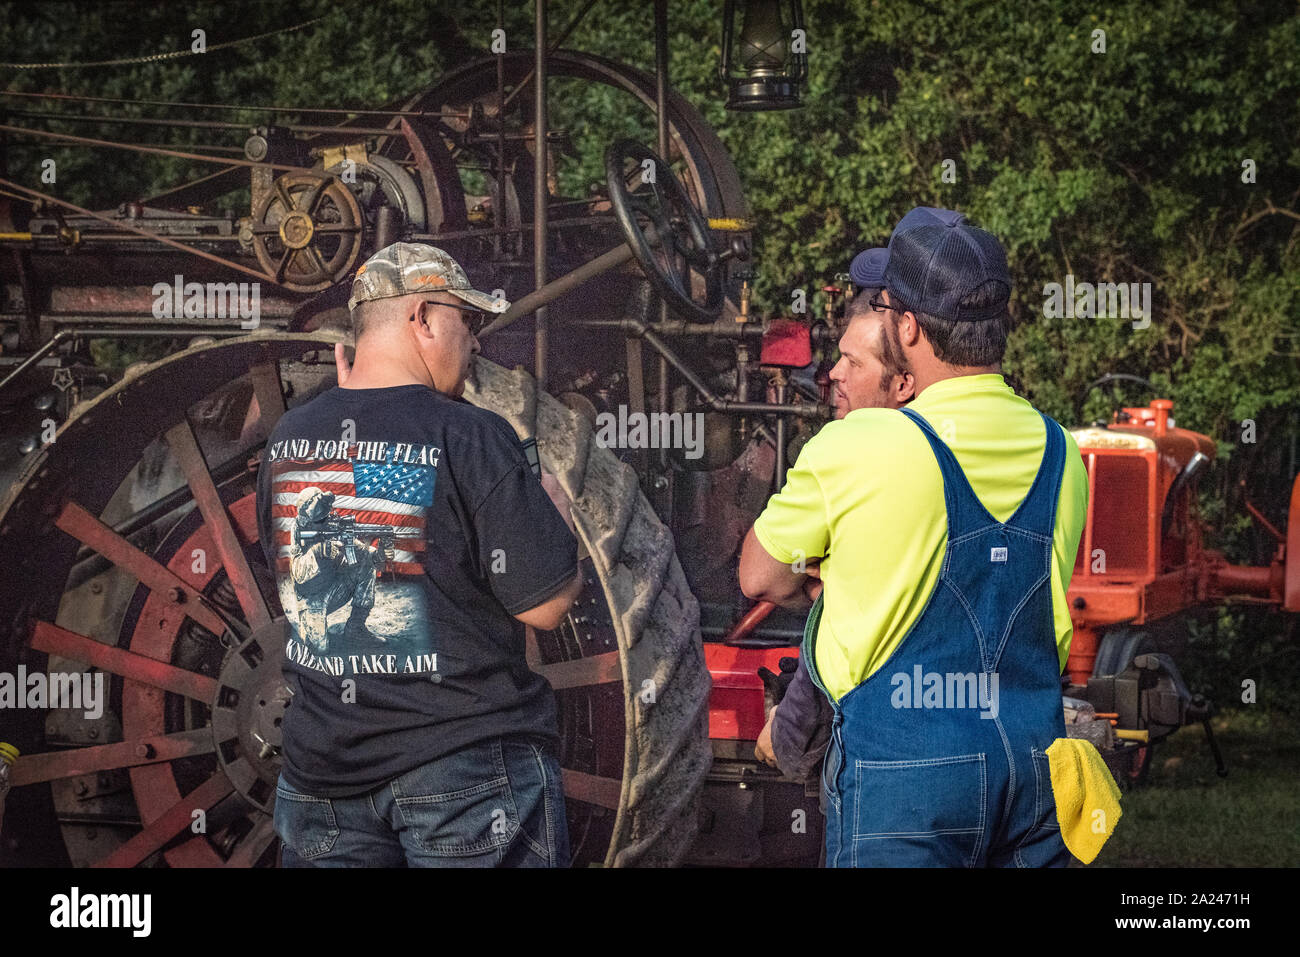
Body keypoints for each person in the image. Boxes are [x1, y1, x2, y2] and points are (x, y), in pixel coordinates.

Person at [739, 211, 1088, 867]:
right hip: (1035, 771)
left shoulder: (861, 441)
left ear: (907, 327)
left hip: (905, 780)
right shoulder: (1061, 451)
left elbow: (760, 575)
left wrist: (825, 581)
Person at [257, 242, 583, 867]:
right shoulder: (468, 433)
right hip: (462, 775)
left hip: (321, 778)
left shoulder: (291, 437)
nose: (477, 344)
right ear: (425, 318)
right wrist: (555, 504)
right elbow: (546, 606)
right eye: (469, 322)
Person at [753, 256, 914, 781]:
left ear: (903, 382)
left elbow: (759, 577)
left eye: (854, 363)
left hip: (871, 747)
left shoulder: (847, 447)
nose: (833, 374)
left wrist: (784, 732)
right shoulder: (1037, 445)